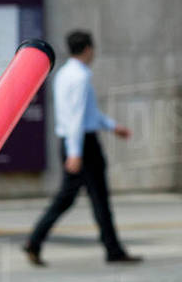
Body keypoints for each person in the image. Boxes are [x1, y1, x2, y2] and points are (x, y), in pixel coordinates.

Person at [23, 30, 138, 266]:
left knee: (75, 198)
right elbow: (76, 117)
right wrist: (76, 153)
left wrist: (113, 126)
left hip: (72, 141)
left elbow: (86, 114)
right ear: (87, 48)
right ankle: (111, 249)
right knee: (97, 198)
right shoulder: (81, 77)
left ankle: (36, 241)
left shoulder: (63, 74)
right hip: (83, 145)